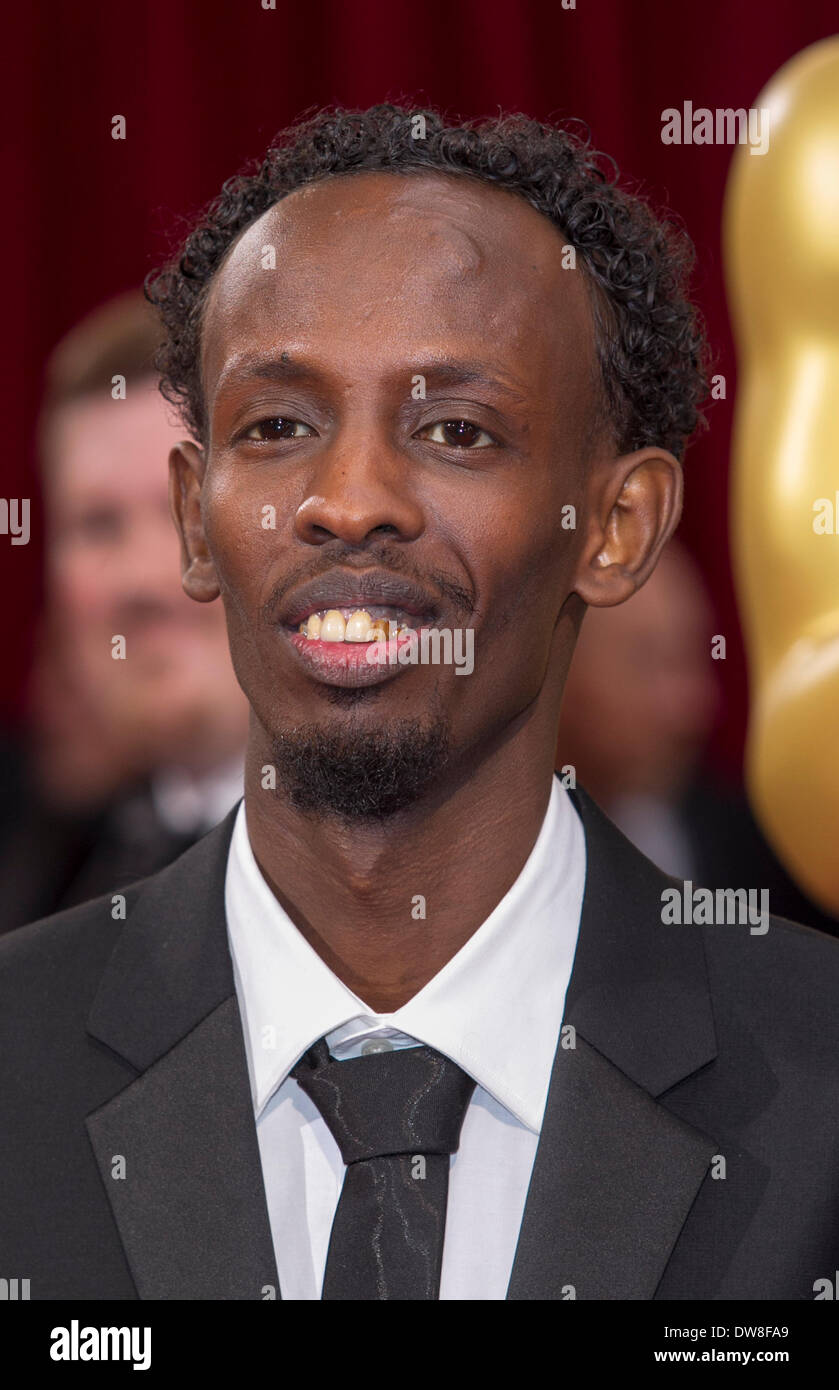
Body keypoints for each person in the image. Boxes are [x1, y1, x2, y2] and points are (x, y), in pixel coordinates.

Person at [2, 104, 838, 1301]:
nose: (348, 499)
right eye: (279, 424)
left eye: (455, 429)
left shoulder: (818, 1089)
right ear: (197, 515)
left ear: (616, 526)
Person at [0, 292, 249, 932]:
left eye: (185, 513)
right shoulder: (43, 888)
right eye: (99, 525)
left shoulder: (429, 884)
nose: (143, 578)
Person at [557, 539, 839, 934]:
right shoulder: (489, 876)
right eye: (648, 664)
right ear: (556, 671)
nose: (693, 706)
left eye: (695, 661)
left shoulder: (762, 860)